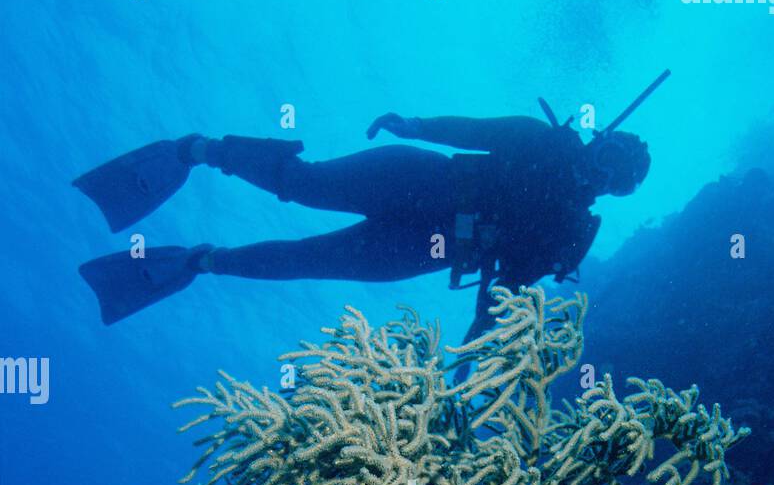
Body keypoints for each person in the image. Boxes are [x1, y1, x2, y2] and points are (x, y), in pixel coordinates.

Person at [74, 111, 650, 336]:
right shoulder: (543, 140)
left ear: (615, 193)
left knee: (310, 262)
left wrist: (473, 346)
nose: (600, 176)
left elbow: (508, 291)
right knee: (305, 185)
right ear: (599, 141)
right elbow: (476, 133)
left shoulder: (569, 234)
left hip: (430, 248)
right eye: (608, 157)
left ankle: (199, 261)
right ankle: (198, 149)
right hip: (423, 180)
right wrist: (413, 125)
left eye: (614, 180)